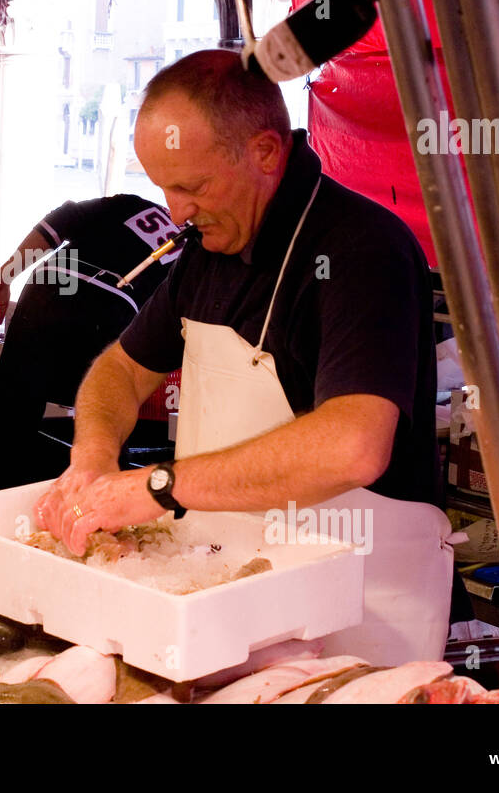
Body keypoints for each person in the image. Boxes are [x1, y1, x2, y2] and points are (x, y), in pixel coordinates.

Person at [35, 49, 464, 664]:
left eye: (191, 186)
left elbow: (354, 445)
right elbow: (121, 370)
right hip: (229, 592)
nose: (175, 212)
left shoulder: (360, 250)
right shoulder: (211, 244)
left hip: (360, 608)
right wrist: (93, 459)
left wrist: (158, 486)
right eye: (164, 187)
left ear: (264, 152)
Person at [0, 195, 181, 492]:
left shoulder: (131, 203)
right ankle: (92, 511)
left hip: (46, 288)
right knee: (102, 422)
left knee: (13, 410)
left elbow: (58, 222)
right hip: (111, 308)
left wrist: (4, 277)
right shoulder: (203, 248)